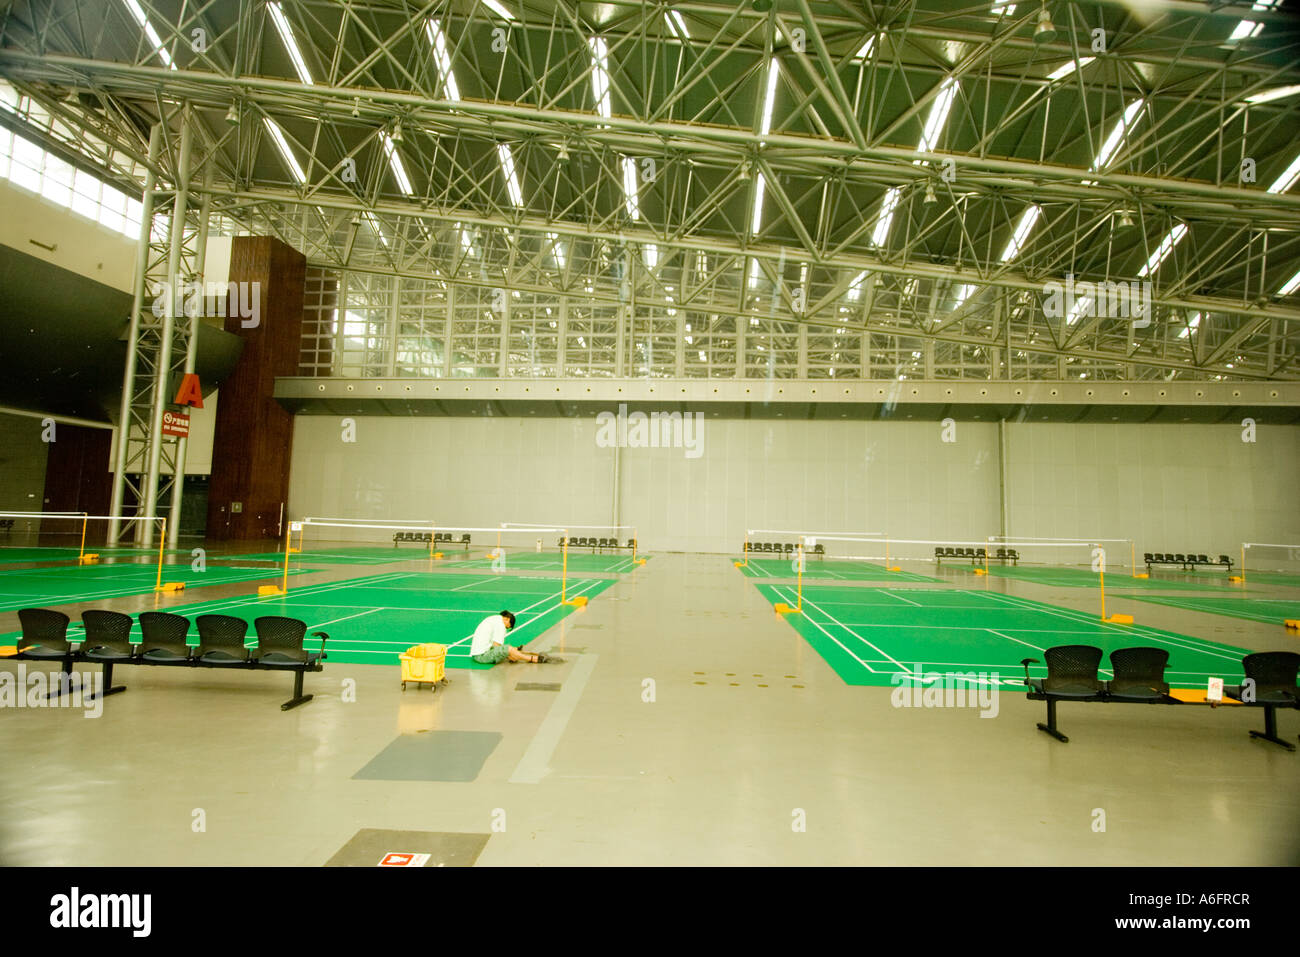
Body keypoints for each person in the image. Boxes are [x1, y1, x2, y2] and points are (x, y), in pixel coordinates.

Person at [469, 610, 553, 665]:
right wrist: (510, 654)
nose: (506, 628)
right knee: (508, 649)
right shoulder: (501, 625)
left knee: (510, 649)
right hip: (482, 656)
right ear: (507, 620)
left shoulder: (494, 619)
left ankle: (519, 653)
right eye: (508, 627)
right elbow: (496, 647)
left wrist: (511, 652)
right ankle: (532, 659)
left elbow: (494, 646)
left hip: (477, 654)